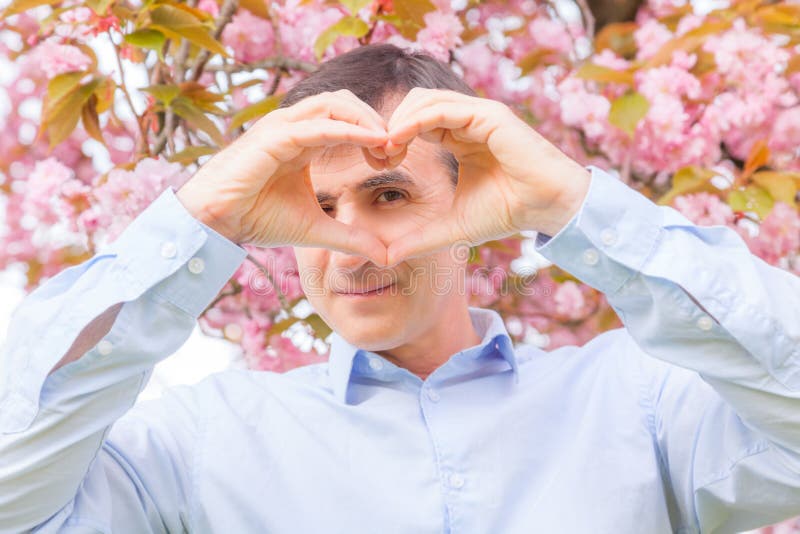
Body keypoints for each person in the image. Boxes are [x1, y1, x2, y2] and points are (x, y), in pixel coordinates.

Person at [1, 43, 798, 534]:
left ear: (477, 207)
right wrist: (197, 219)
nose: (350, 247)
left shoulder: (638, 402)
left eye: (389, 196)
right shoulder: (200, 441)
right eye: (316, 210)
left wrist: (570, 199)